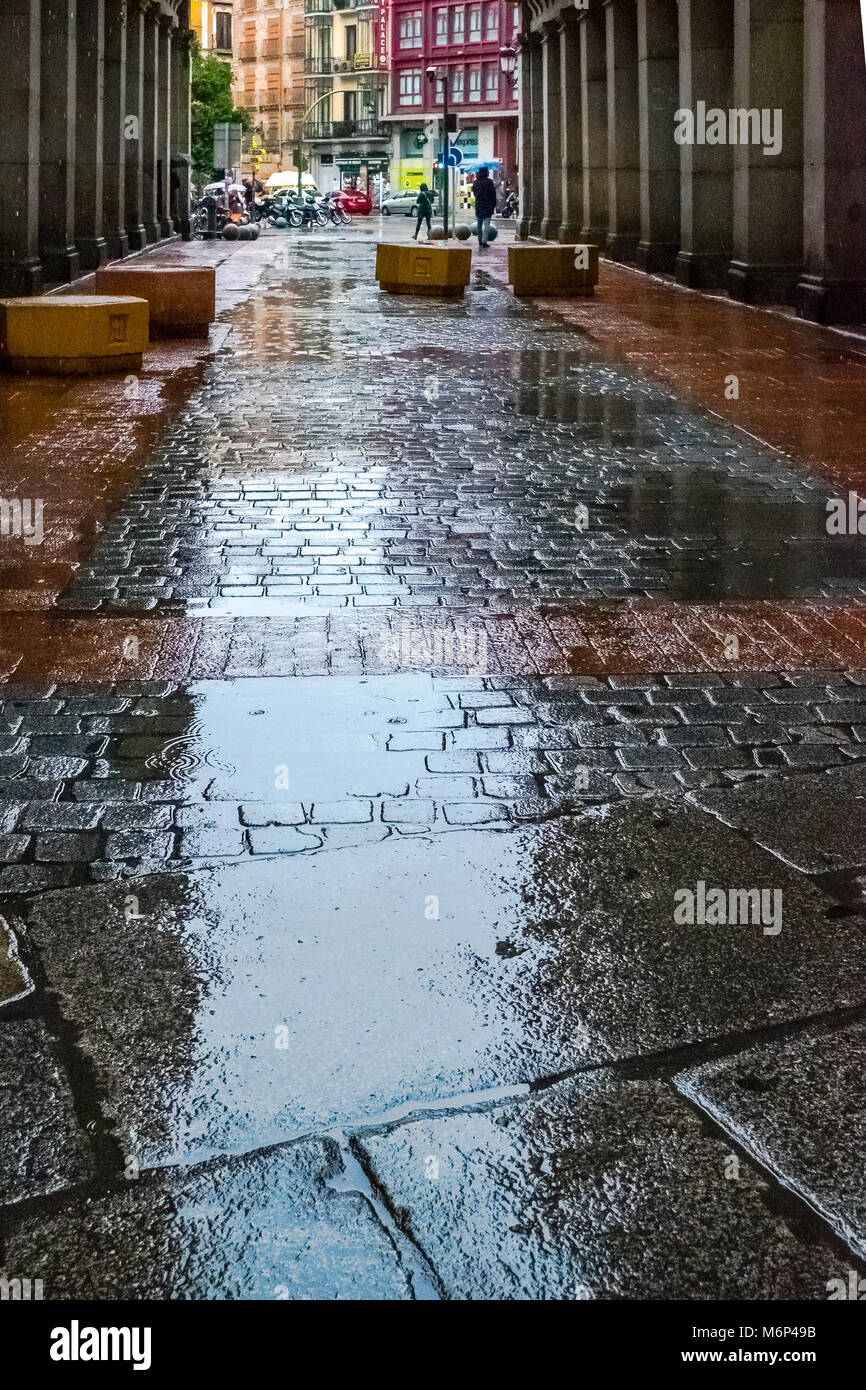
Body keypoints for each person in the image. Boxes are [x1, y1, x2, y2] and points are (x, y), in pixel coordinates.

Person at [473, 165, 497, 249]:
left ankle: (479, 241)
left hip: (479, 205)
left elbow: (474, 194)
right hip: (488, 205)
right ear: (486, 172)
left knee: (479, 224)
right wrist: (493, 204)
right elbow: (493, 194)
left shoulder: (475, 182)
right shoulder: (489, 182)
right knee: (487, 224)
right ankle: (484, 241)